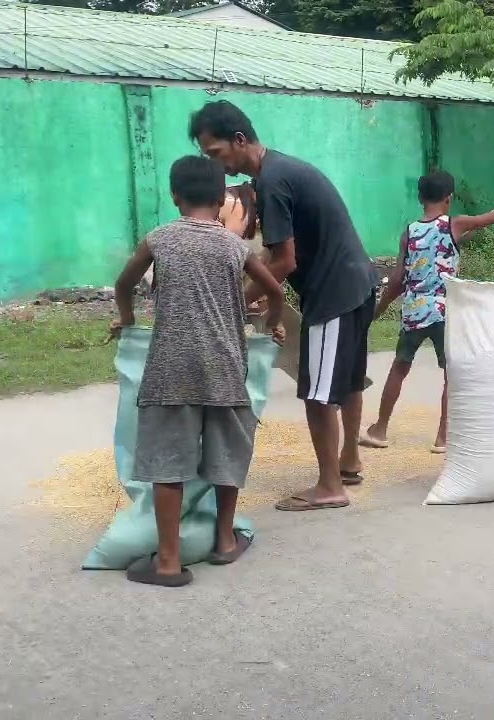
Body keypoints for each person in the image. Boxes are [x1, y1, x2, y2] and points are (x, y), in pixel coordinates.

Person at [189, 100, 380, 512]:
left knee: (315, 393)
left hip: (334, 293)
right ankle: (348, 461)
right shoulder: (280, 170)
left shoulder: (273, 181)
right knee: (345, 381)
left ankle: (330, 485)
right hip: (357, 282)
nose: (216, 165)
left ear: (240, 140)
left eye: (217, 154)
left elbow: (283, 262)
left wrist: (235, 300)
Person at [109, 156, 286, 587]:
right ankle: (225, 541)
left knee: (168, 464)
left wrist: (127, 317)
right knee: (227, 454)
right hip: (226, 367)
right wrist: (273, 320)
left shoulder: (159, 239)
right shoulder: (233, 246)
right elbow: (275, 288)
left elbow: (123, 283)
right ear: (222, 199)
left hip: (171, 370)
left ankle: (168, 562)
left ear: (175, 195)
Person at [360, 169, 494, 451]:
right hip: (443, 310)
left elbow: (398, 280)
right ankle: (443, 437)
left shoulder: (409, 233)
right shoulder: (454, 224)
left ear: (420, 198)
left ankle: (380, 430)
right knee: (451, 374)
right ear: (448, 198)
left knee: (399, 368)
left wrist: (377, 311)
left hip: (414, 310)